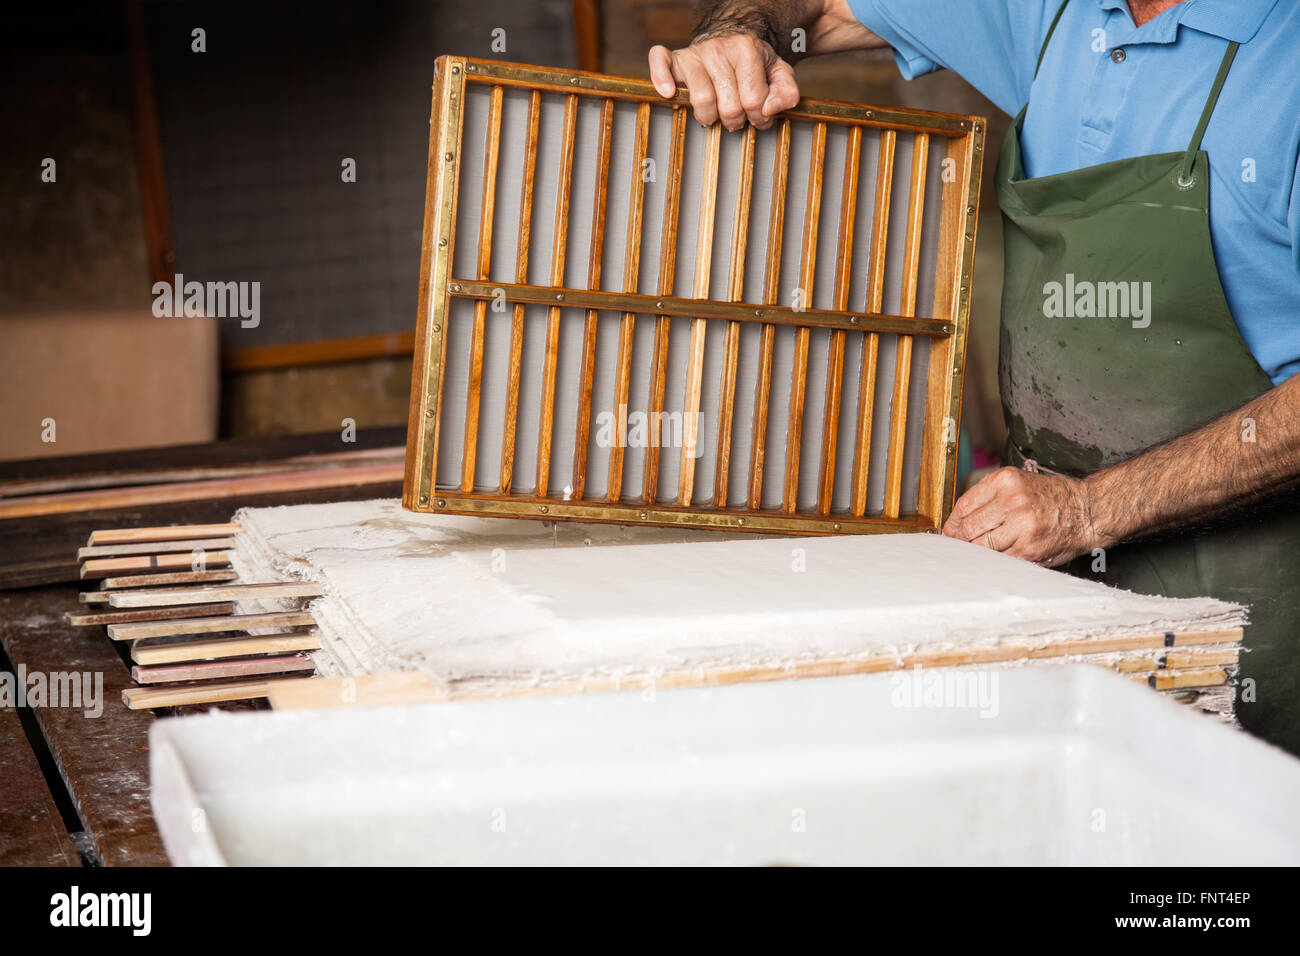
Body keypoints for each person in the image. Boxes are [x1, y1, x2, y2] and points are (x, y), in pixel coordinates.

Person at [649, 0, 1300, 755]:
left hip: (1263, 628)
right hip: (1069, 607)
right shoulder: (1052, 13)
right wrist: (740, 36)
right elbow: (816, 10)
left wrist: (1092, 511)